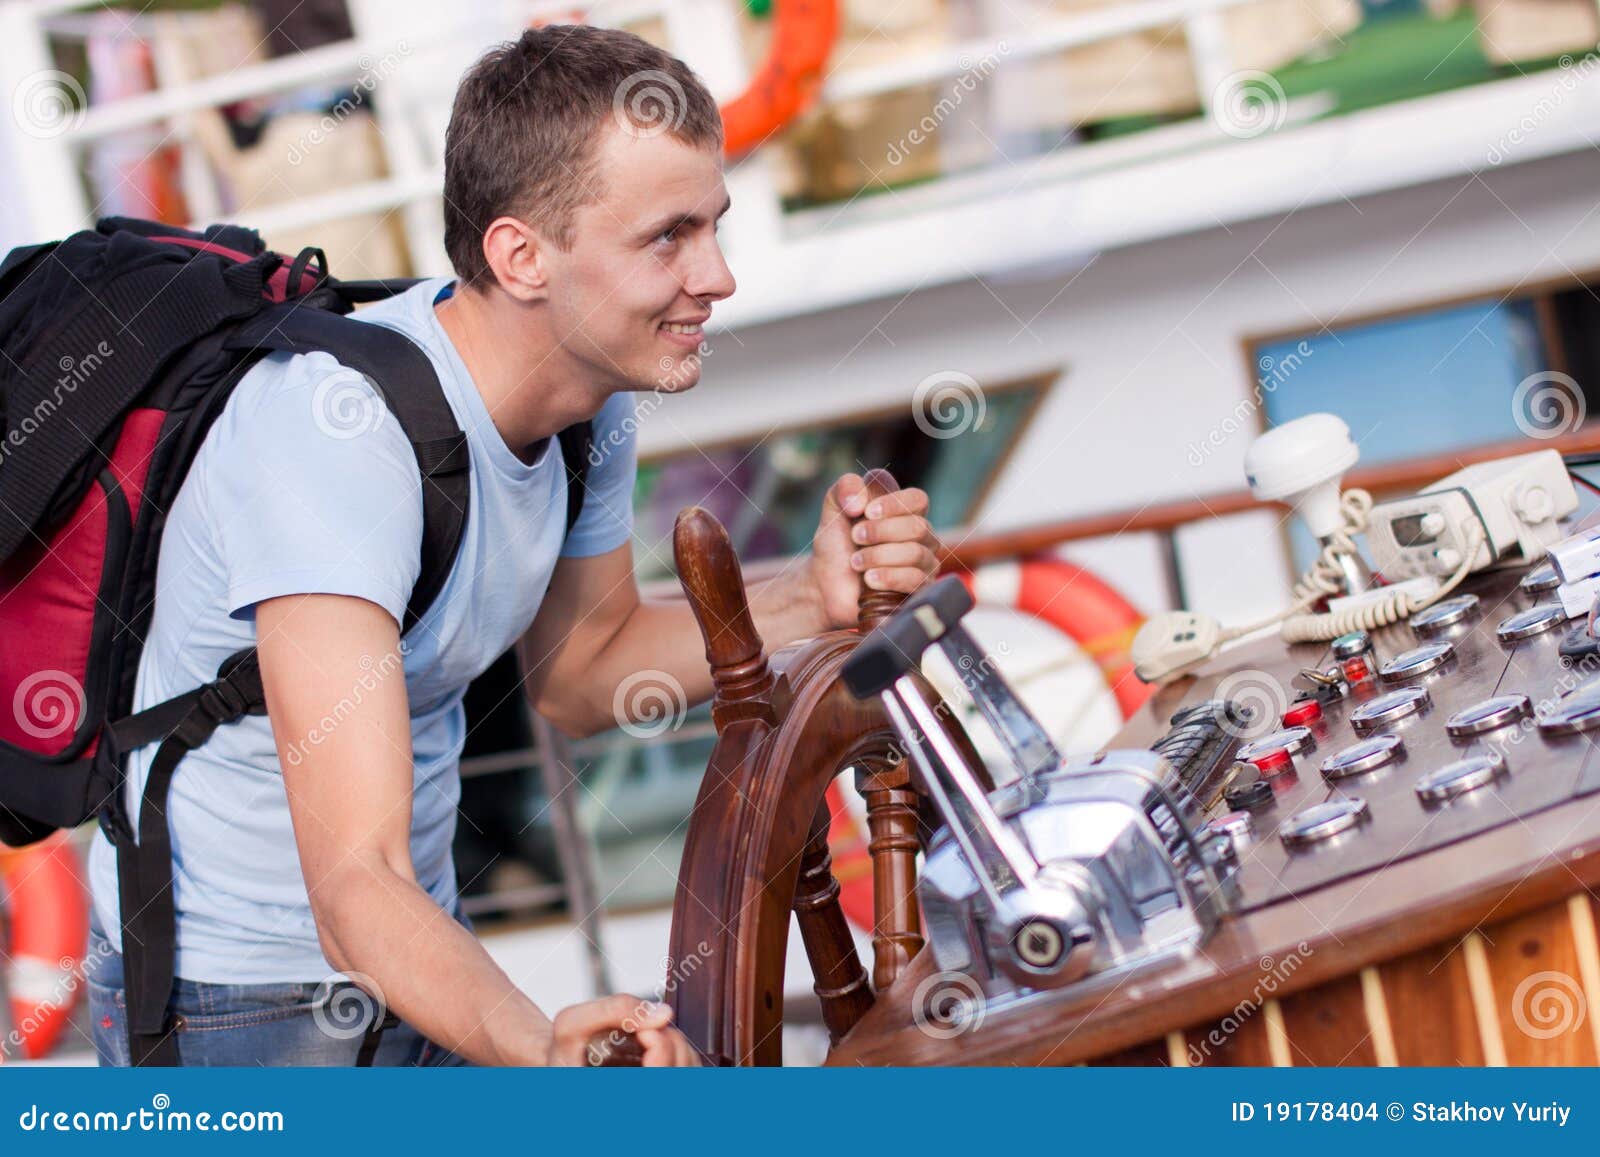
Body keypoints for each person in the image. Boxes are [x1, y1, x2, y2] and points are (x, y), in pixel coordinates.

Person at [84, 23, 941, 1066]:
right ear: (519, 254)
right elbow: (354, 882)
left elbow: (585, 671)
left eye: (712, 226)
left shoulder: (591, 404)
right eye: (667, 237)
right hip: (239, 1004)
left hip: (412, 950)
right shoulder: (335, 431)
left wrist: (810, 596)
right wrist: (538, 1047)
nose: (716, 275)